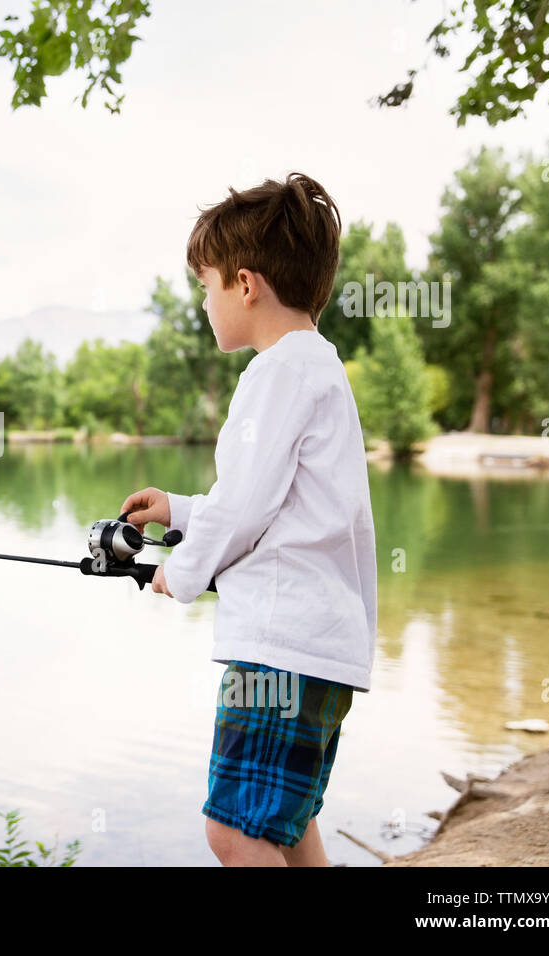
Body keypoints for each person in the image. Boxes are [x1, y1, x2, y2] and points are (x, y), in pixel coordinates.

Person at [120, 173, 376, 867]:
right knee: (287, 826)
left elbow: (243, 509)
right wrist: (178, 513)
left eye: (204, 287)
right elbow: (267, 505)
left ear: (244, 284)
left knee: (235, 831)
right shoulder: (318, 369)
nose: (204, 303)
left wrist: (182, 571)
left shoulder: (277, 373)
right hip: (317, 646)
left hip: (280, 647)